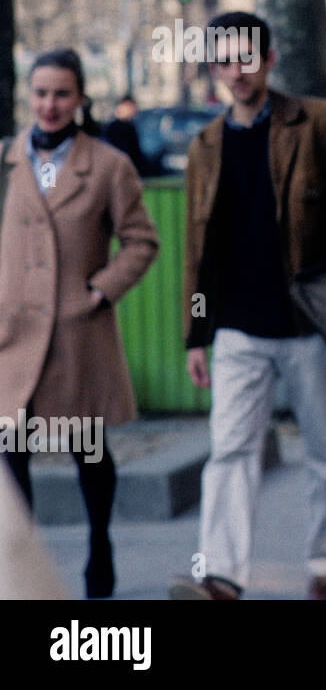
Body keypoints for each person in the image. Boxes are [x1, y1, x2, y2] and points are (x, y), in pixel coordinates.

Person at [170, 11, 326, 601]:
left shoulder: (317, 123)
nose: (238, 70)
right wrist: (195, 334)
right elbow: (197, 250)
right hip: (235, 329)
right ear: (213, 68)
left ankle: (325, 566)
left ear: (269, 58)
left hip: (310, 325)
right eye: (225, 60)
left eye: (247, 57)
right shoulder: (205, 146)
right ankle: (222, 577)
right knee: (229, 452)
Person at [0, 47, 159, 598]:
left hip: (75, 333)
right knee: (10, 452)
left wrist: (101, 289)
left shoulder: (109, 165)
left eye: (61, 93)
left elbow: (142, 240)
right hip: (11, 337)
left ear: (80, 99)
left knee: (86, 450)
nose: (49, 104)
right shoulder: (6, 160)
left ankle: (100, 544)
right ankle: (19, 564)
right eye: (41, 93)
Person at [102, 94, 149, 175]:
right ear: (120, 107)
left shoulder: (130, 126)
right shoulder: (116, 127)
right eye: (129, 107)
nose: (133, 110)